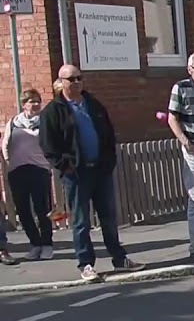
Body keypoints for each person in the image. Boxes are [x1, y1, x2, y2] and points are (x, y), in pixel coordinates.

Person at [40, 64, 144, 281]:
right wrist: (65, 165)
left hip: (100, 169)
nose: (76, 82)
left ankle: (119, 258)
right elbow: (48, 145)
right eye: (71, 79)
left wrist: (109, 161)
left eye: (79, 78)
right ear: (61, 82)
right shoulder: (54, 111)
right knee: (81, 220)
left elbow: (107, 133)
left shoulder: (93, 104)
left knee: (108, 216)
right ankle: (86, 263)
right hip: (77, 173)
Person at [1, 89, 54, 261]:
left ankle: (47, 245)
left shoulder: (45, 122)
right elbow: (5, 144)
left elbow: (51, 144)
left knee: (42, 209)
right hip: (17, 170)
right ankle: (35, 244)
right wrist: (9, 162)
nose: (36, 104)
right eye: (32, 101)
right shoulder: (13, 123)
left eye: (38, 101)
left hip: (39, 169)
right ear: (24, 105)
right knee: (23, 210)